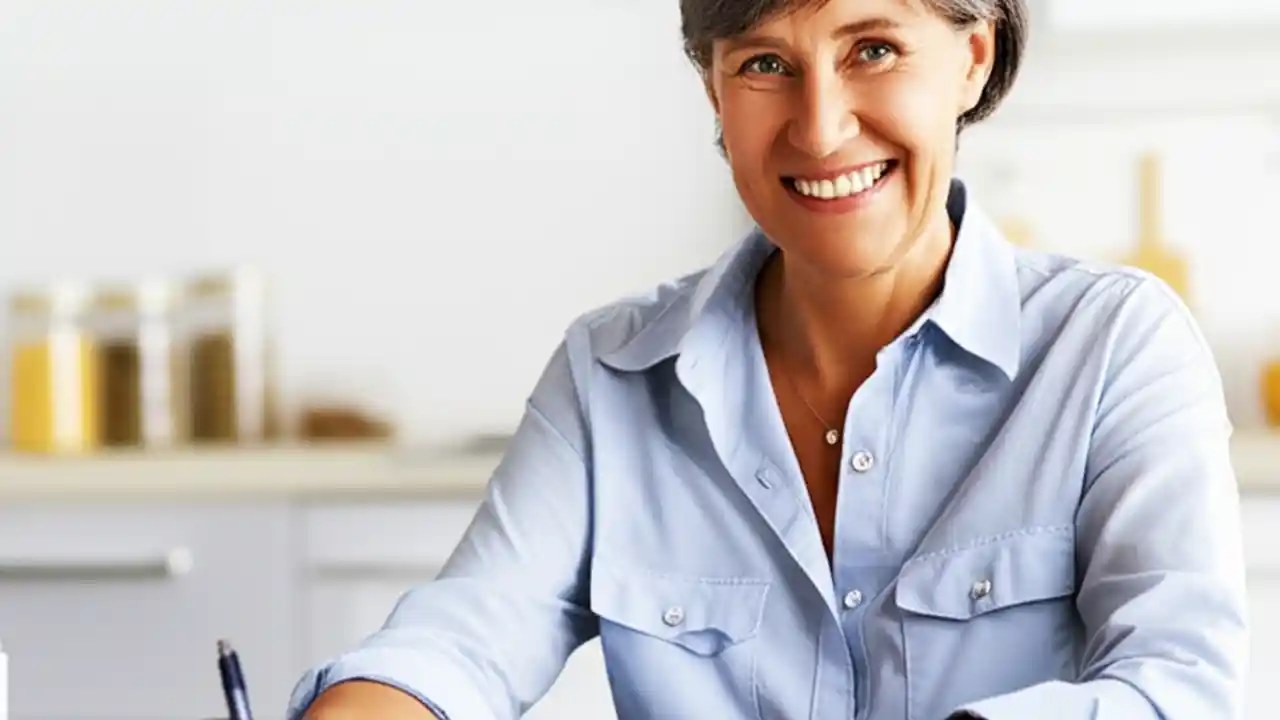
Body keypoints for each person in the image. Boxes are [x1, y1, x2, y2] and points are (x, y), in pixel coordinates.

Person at [290, 0, 1249, 717]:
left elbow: (1178, 690)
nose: (821, 126)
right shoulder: (609, 375)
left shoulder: (1114, 346)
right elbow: (462, 642)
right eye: (763, 64)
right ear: (714, 87)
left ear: (971, 56)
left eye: (873, 48)